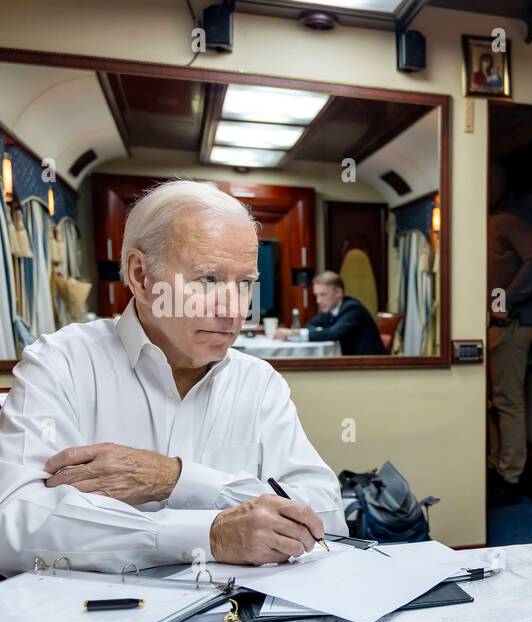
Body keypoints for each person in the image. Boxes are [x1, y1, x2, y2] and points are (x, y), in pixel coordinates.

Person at [0, 179, 345, 575]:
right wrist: (209, 534)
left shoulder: (259, 383)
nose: (235, 311)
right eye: (209, 279)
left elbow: (326, 516)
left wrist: (178, 480)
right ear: (141, 276)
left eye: (246, 283)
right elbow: (14, 525)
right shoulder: (62, 364)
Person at [486, 159, 532, 506]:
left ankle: (510, 478)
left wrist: (504, 301)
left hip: (511, 324)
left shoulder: (514, 216)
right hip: (499, 324)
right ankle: (497, 468)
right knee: (495, 402)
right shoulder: (496, 218)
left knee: (507, 401)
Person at [279, 271, 385, 356]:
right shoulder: (331, 310)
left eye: (323, 295)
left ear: (338, 292)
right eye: (316, 295)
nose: (318, 301)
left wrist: (294, 333)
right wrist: (322, 332)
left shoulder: (353, 309)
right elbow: (310, 325)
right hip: (350, 362)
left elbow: (332, 334)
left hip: (369, 366)